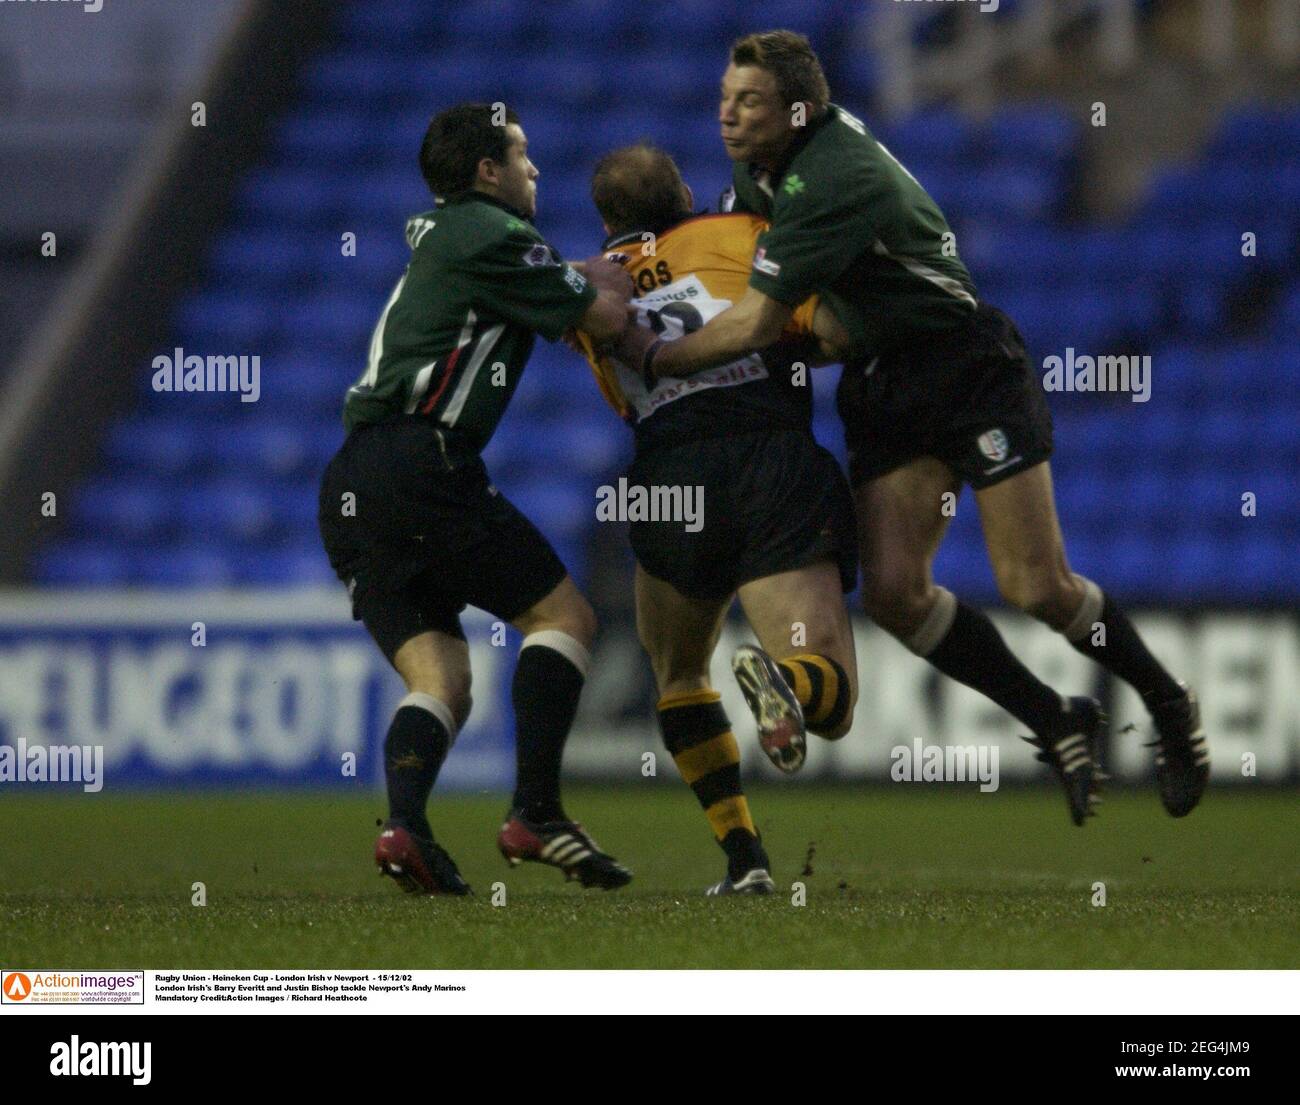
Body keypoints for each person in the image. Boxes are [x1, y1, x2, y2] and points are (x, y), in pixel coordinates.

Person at [616, 32, 1208, 825]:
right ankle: (1058, 718)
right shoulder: (756, 170)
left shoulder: (829, 175)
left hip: (964, 366)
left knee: (1036, 585)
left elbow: (758, 321)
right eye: (726, 96)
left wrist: (660, 356)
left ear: (800, 109)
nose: (726, 112)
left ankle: (1170, 704)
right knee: (895, 593)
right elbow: (772, 289)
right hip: (885, 381)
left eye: (748, 100)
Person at [318, 102, 635, 895]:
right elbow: (603, 314)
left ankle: (405, 828)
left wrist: (576, 277)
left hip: (352, 478)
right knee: (565, 618)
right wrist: (611, 276)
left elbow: (553, 295)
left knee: (442, 683)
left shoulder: (458, 241)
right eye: (521, 155)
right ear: (487, 172)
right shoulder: (490, 233)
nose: (535, 168)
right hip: (419, 462)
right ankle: (536, 811)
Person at [576, 143, 858, 893]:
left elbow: (614, 382)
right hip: (770, 452)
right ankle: (786, 679)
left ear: (607, 220)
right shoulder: (745, 234)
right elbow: (830, 331)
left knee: (676, 672)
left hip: (668, 474)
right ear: (689, 192)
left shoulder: (588, 293)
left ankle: (744, 857)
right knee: (832, 700)